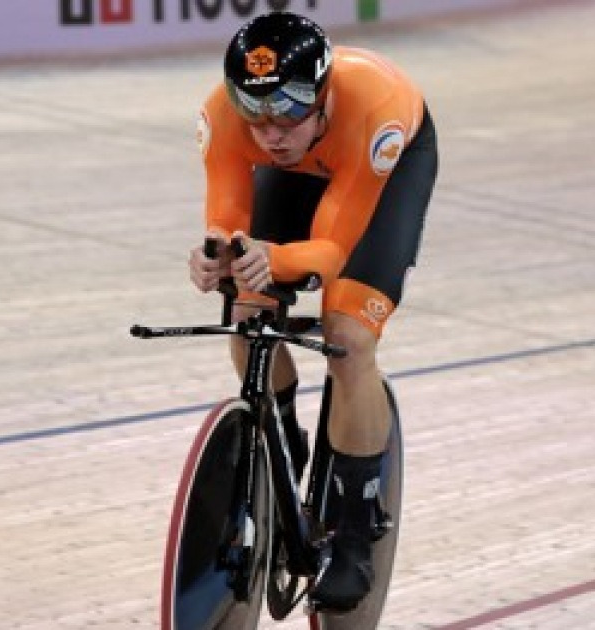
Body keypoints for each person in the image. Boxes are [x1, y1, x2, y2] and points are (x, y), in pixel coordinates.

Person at [186, 11, 438, 612]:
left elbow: (330, 250)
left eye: (291, 111)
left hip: (371, 174)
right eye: (256, 112)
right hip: (302, 175)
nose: (271, 132)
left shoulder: (371, 111)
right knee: (249, 310)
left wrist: (276, 257)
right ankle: (283, 437)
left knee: (348, 336)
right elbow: (228, 215)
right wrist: (216, 255)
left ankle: (356, 522)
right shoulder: (224, 116)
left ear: (323, 97)